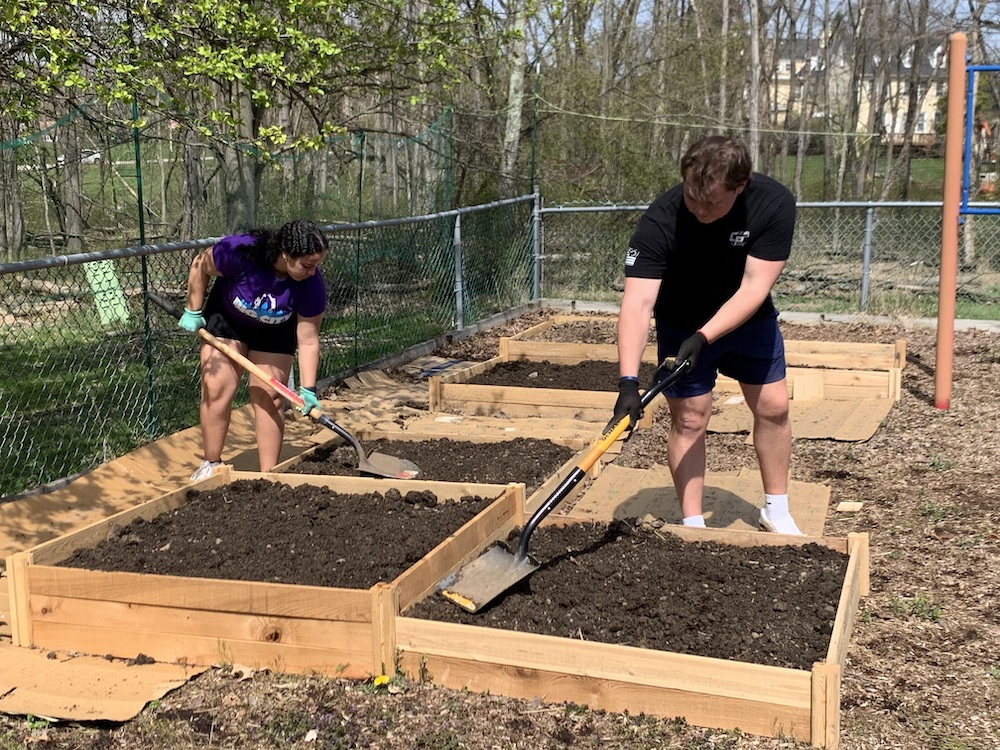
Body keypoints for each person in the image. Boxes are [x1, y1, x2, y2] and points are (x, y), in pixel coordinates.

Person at [610, 135, 803, 535]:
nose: (699, 209)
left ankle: (776, 510)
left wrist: (707, 335)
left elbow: (754, 288)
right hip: (681, 321)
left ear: (741, 185)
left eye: (712, 202)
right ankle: (694, 522)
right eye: (692, 198)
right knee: (691, 418)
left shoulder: (773, 203)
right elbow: (638, 304)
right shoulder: (661, 218)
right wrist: (628, 382)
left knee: (774, 407)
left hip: (747, 319)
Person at [179, 219, 329, 480]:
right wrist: (193, 309)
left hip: (275, 329)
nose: (312, 271)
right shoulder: (240, 251)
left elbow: (308, 339)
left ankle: (269, 476)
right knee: (217, 387)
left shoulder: (312, 285)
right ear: (285, 253)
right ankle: (211, 463)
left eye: (316, 265)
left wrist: (308, 389)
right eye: (306, 264)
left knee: (270, 395)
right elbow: (199, 264)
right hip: (227, 321)